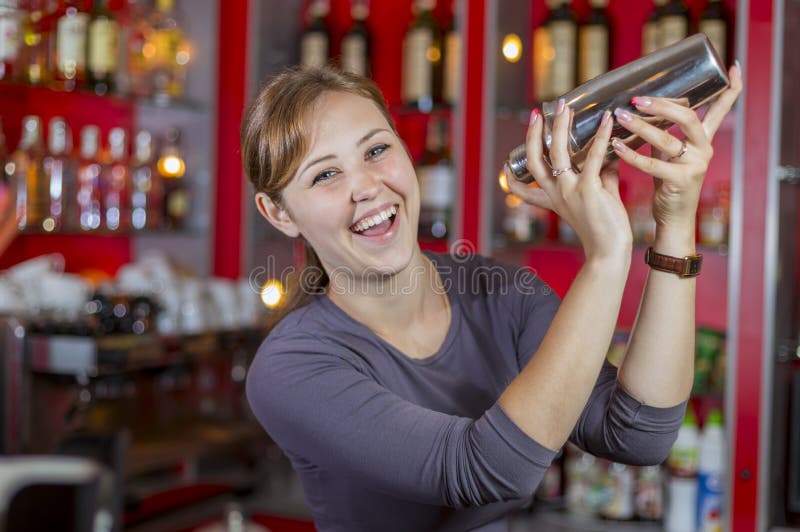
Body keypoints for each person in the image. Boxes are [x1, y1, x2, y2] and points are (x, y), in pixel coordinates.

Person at [242, 65, 741, 531]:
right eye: (325, 175)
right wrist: (606, 257)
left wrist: (675, 223)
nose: (368, 187)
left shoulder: (502, 292)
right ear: (279, 213)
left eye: (376, 151)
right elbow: (484, 471)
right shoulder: (290, 368)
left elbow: (638, 434)